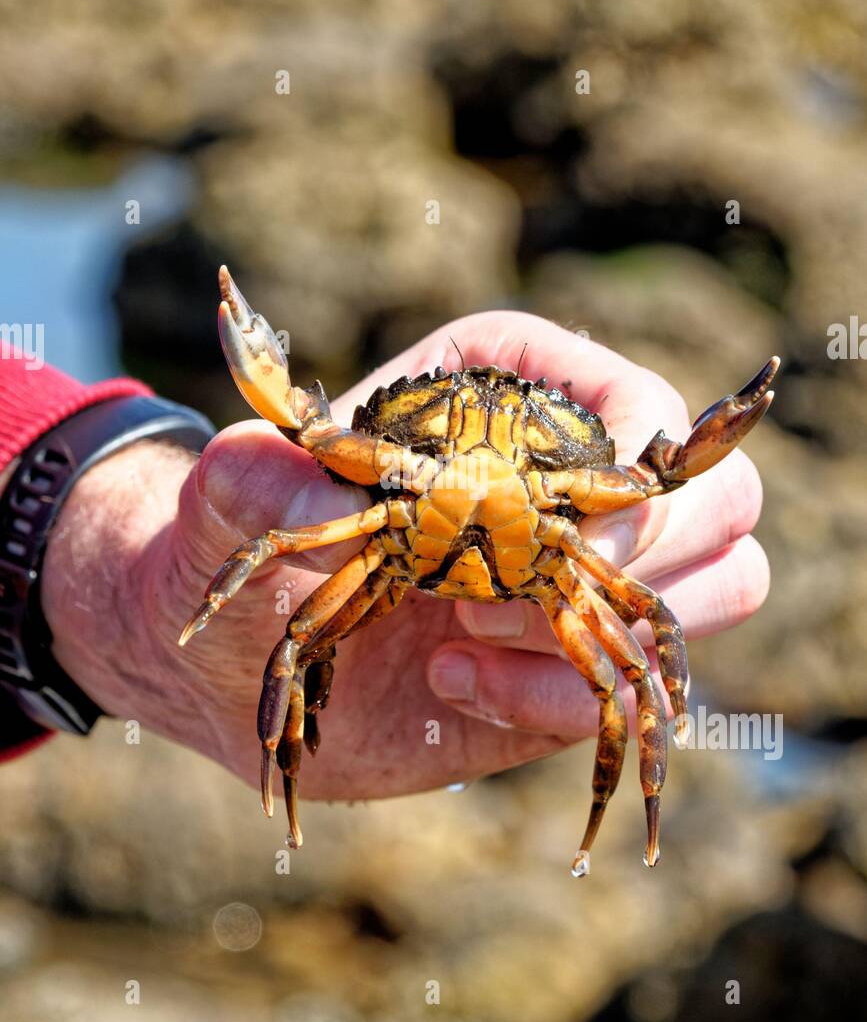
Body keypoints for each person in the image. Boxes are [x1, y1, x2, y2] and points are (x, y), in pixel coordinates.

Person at [0, 310, 768, 805]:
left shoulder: (594, 521)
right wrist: (150, 608)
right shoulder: (355, 487)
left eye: (529, 411)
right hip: (385, 563)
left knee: (625, 678)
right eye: (449, 402)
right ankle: (283, 775)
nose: (482, 421)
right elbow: (302, 464)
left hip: (539, 564)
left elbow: (651, 498)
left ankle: (621, 812)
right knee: (297, 642)